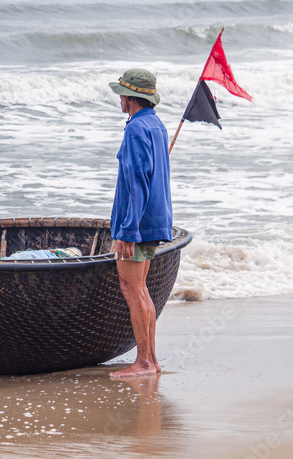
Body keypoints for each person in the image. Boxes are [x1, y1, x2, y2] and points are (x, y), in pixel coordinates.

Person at [107, 68, 173, 378]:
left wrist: (127, 230)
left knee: (131, 289)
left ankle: (144, 362)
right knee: (141, 290)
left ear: (130, 98)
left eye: (121, 94)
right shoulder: (156, 125)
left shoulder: (136, 129)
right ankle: (151, 360)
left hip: (139, 224)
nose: (119, 98)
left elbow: (136, 183)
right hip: (155, 221)